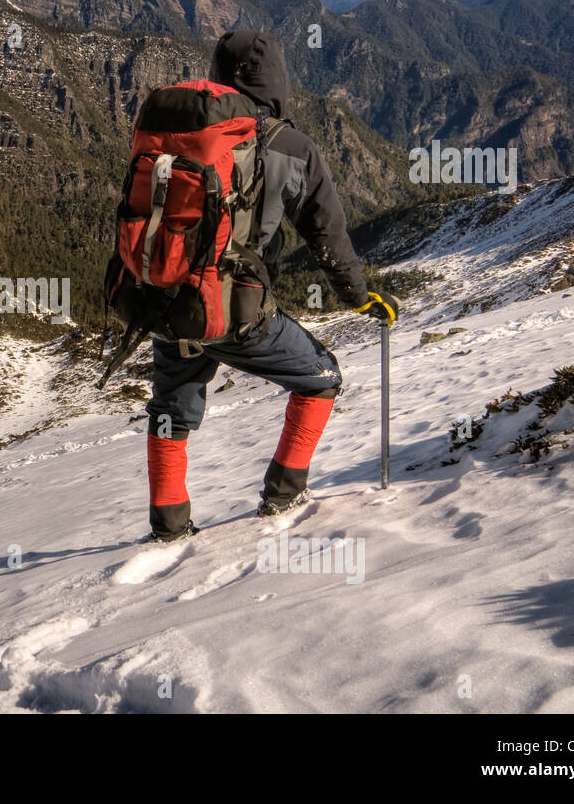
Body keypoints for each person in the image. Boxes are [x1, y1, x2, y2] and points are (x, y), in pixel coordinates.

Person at [145, 30, 399, 541]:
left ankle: (168, 529)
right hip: (237, 311)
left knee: (171, 409)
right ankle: (283, 494)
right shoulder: (292, 147)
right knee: (321, 378)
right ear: (278, 79)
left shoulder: (179, 133)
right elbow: (327, 235)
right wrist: (359, 297)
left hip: (167, 301)